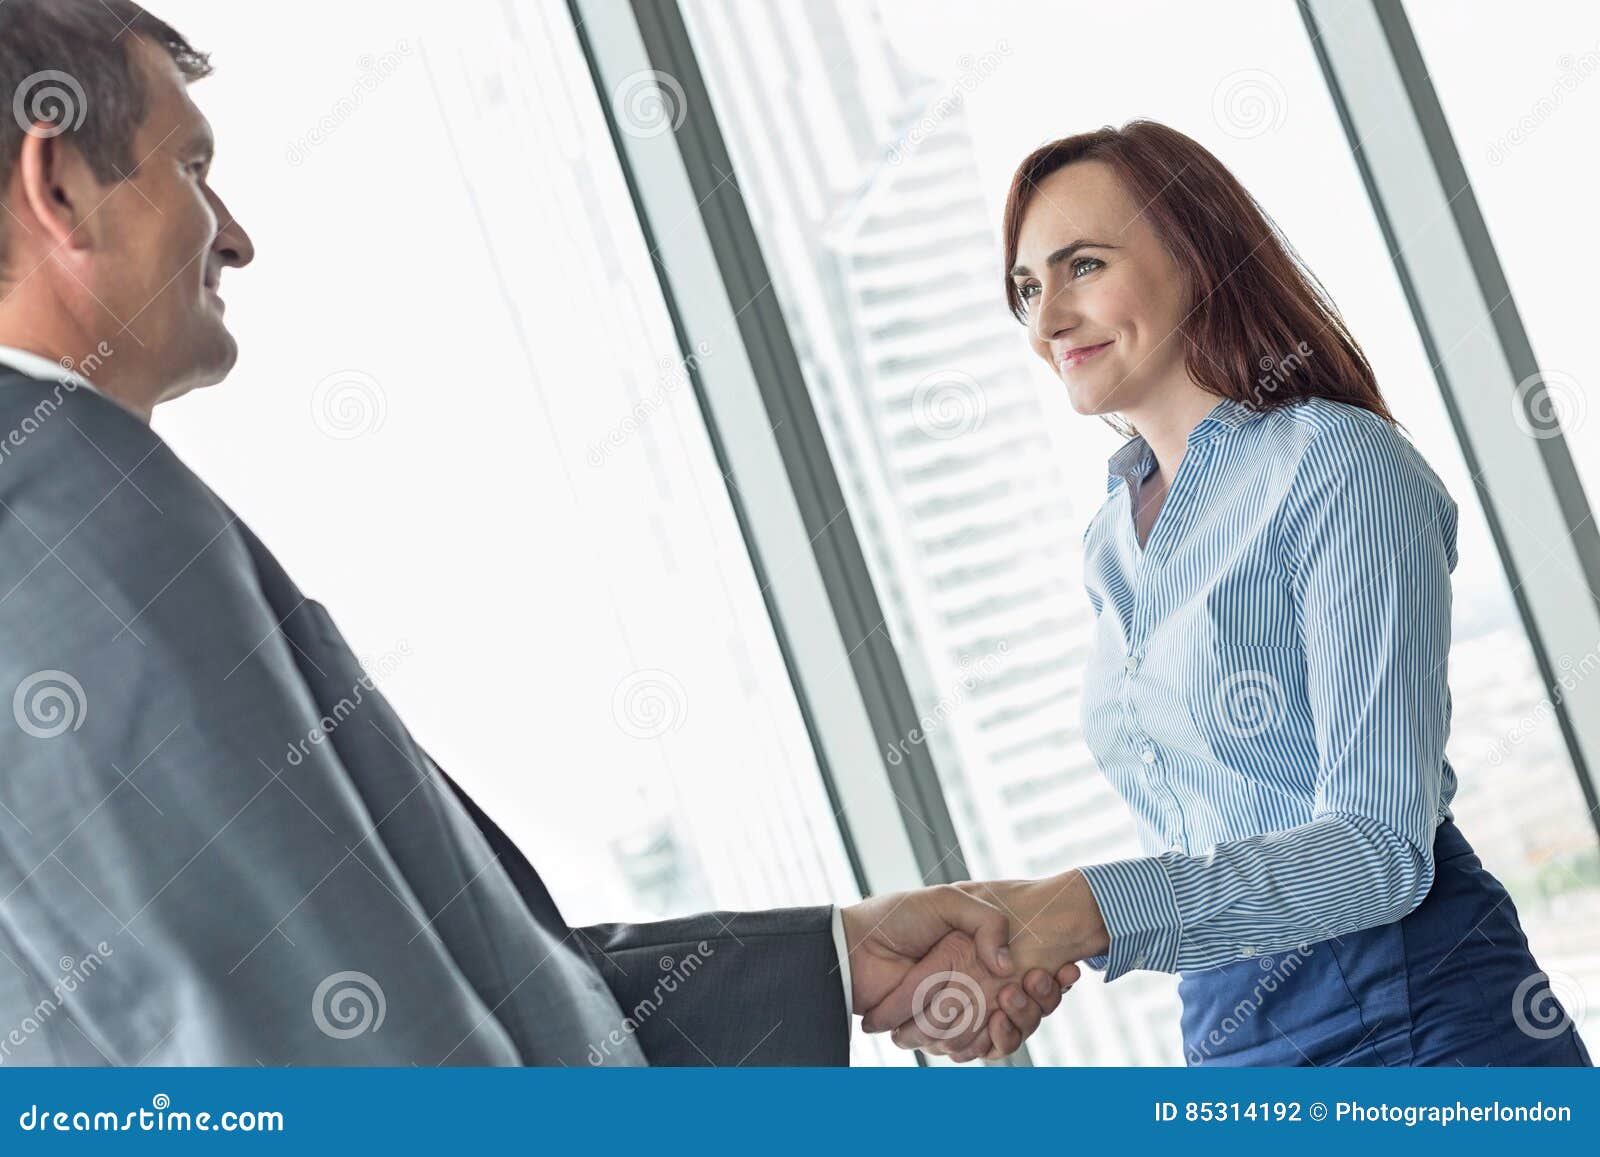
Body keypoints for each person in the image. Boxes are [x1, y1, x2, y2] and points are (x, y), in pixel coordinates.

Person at [0, 0, 1078, 1066]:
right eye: (192, 168)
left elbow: (416, 989)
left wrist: (831, 960)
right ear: (57, 186)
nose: (235, 235)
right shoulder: (66, 520)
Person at [865, 121, 1593, 1067]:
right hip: (1228, 1033)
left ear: (1197, 254)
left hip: (1417, 1021)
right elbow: (1202, 831)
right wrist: (1027, 948)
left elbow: (1380, 848)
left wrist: (1078, 912)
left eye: (1082, 265)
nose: (1046, 323)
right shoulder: (1112, 541)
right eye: (1027, 290)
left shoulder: (1338, 467)